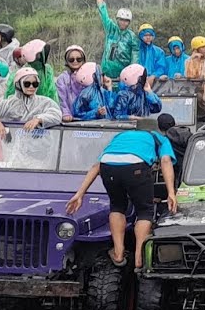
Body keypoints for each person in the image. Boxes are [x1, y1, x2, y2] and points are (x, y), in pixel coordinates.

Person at [67, 113, 178, 270]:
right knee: (145, 210)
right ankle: (140, 258)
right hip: (136, 167)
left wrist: (79, 194)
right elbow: (166, 161)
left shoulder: (121, 136)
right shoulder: (159, 138)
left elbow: (97, 165)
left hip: (108, 167)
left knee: (117, 205)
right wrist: (171, 192)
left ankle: (118, 253)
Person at [0, 67, 64, 134]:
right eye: (27, 84)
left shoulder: (45, 102)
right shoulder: (8, 103)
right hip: (13, 148)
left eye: (35, 84)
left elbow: (57, 114)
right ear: (18, 84)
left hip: (38, 148)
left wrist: (39, 119)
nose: (31, 87)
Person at [94, 0, 137, 78]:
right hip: (106, 74)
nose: (123, 22)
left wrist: (130, 74)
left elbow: (135, 57)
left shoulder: (132, 37)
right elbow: (103, 11)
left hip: (122, 77)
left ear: (129, 22)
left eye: (126, 21)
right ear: (117, 19)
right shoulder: (111, 29)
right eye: (121, 19)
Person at [55, 45, 87, 121]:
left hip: (88, 117)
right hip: (69, 119)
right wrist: (66, 113)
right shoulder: (62, 78)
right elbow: (61, 99)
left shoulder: (90, 76)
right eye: (71, 59)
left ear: (83, 60)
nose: (75, 61)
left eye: (79, 59)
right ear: (67, 61)